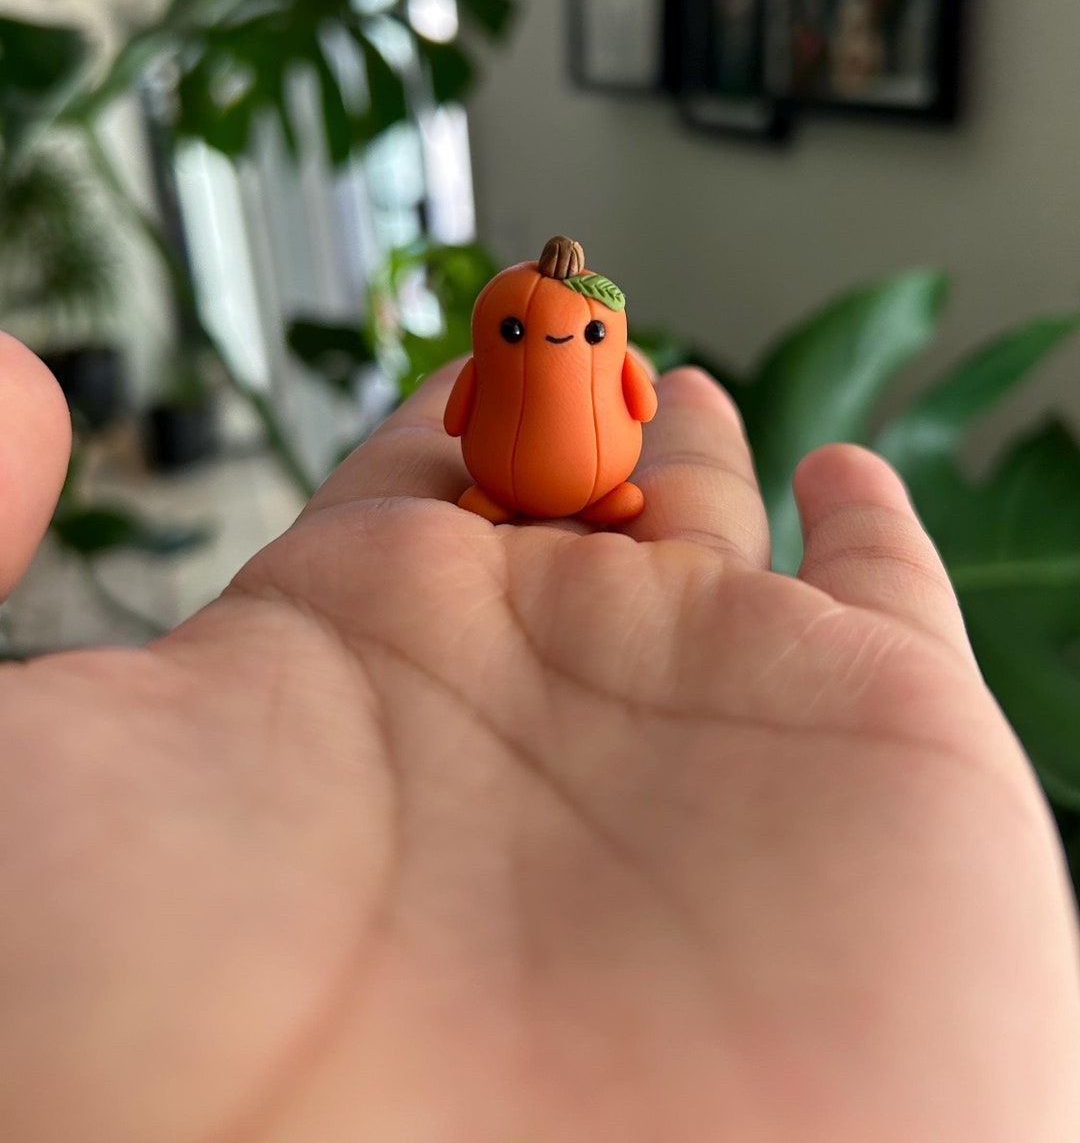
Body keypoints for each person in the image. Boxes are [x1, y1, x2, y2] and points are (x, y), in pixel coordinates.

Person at [0, 328, 1077, 1141]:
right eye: (519, 331)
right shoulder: (505, 349)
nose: (545, 337)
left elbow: (621, 395)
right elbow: (486, 402)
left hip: (586, 485)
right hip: (499, 492)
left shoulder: (577, 350)